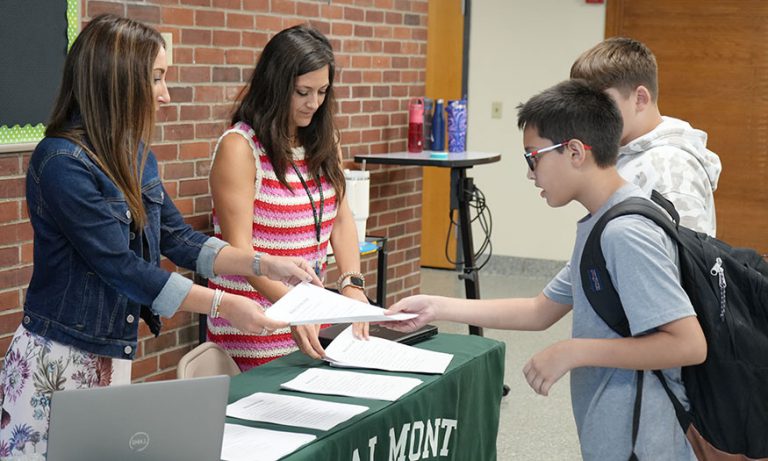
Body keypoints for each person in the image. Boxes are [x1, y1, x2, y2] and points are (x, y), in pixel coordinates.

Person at [0, 15, 320, 458]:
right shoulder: (60, 162)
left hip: (113, 355)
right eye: (156, 78)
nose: (166, 94)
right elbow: (123, 269)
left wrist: (262, 263)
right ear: (118, 80)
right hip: (57, 361)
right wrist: (224, 303)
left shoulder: (136, 155)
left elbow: (178, 238)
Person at [386, 80, 707, 460]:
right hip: (616, 435)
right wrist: (436, 307)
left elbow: (688, 344)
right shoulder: (601, 221)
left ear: (574, 151)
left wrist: (572, 351)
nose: (530, 174)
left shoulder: (624, 232)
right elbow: (540, 310)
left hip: (644, 441)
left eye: (532, 157)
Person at [207, 24, 369, 371]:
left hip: (311, 319)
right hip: (255, 325)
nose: (314, 103)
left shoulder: (324, 143)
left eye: (323, 91)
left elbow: (340, 220)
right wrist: (296, 309)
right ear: (276, 86)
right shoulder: (240, 147)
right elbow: (241, 255)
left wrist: (351, 284)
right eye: (302, 92)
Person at [570, 37, 721, 236]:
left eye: (599, 103)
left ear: (640, 99)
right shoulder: (625, 155)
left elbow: (683, 261)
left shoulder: (669, 167)